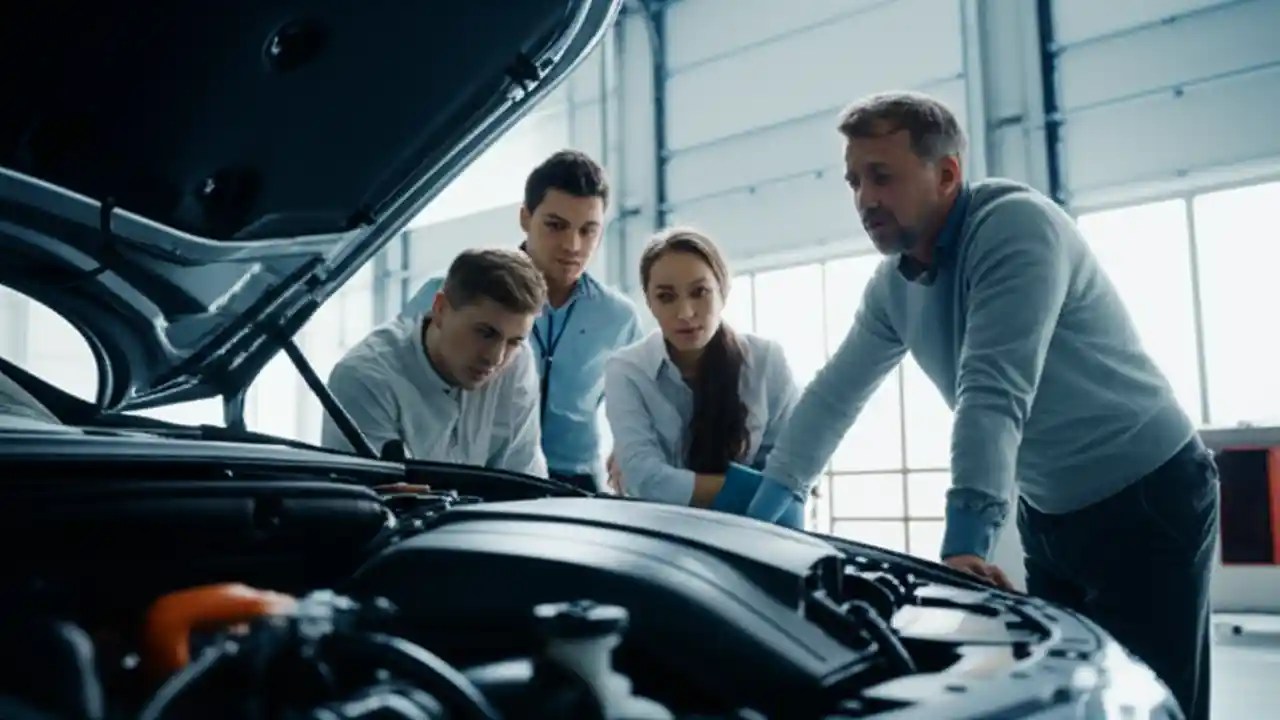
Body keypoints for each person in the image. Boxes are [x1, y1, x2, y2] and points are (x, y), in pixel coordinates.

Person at [745, 91, 1218, 720]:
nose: (863, 198)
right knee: (1077, 703)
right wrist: (764, 511)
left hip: (1148, 498)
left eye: (882, 176)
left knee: (1156, 708)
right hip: (1048, 515)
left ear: (946, 175)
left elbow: (992, 387)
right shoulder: (893, 287)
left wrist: (967, 541)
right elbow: (833, 395)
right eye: (854, 180)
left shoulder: (1017, 228)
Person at [401, 150, 643, 491]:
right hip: (472, 474)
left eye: (588, 230)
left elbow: (636, 405)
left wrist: (626, 449)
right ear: (525, 218)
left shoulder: (619, 317)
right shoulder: (449, 293)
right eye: (556, 226)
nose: (573, 245)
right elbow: (401, 371)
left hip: (575, 484)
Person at [604, 228, 805, 525]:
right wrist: (763, 489)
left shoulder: (766, 362)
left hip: (755, 534)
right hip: (659, 533)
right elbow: (643, 478)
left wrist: (668, 483)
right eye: (666, 297)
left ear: (723, 291)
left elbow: (794, 470)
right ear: (649, 302)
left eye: (700, 292)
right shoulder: (627, 370)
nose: (685, 313)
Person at [321, 248, 548, 478]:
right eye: (485, 333)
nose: (496, 358)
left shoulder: (519, 360)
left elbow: (525, 478)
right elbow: (367, 501)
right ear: (440, 309)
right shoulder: (364, 379)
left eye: (514, 341)